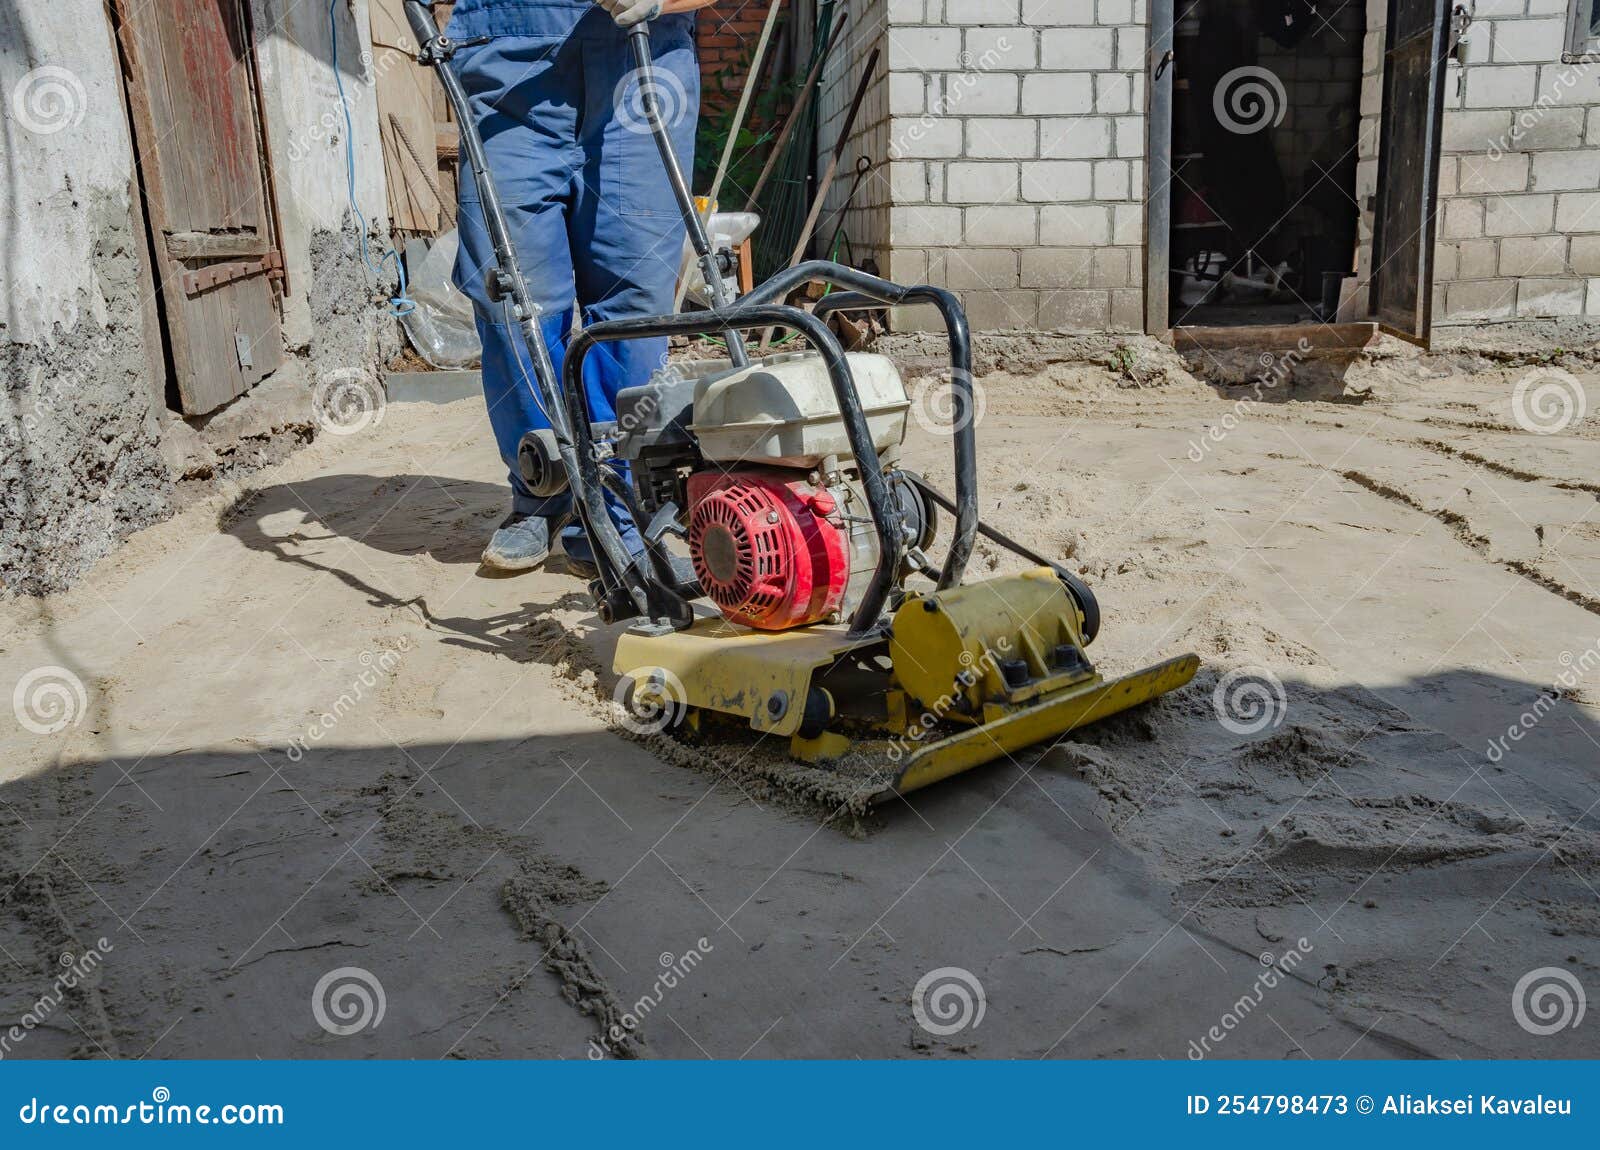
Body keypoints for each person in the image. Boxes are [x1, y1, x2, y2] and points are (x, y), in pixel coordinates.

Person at [446, 0, 722, 572]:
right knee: (510, 293)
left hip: (643, 57)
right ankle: (543, 488)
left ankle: (619, 504)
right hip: (506, 59)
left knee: (634, 297)